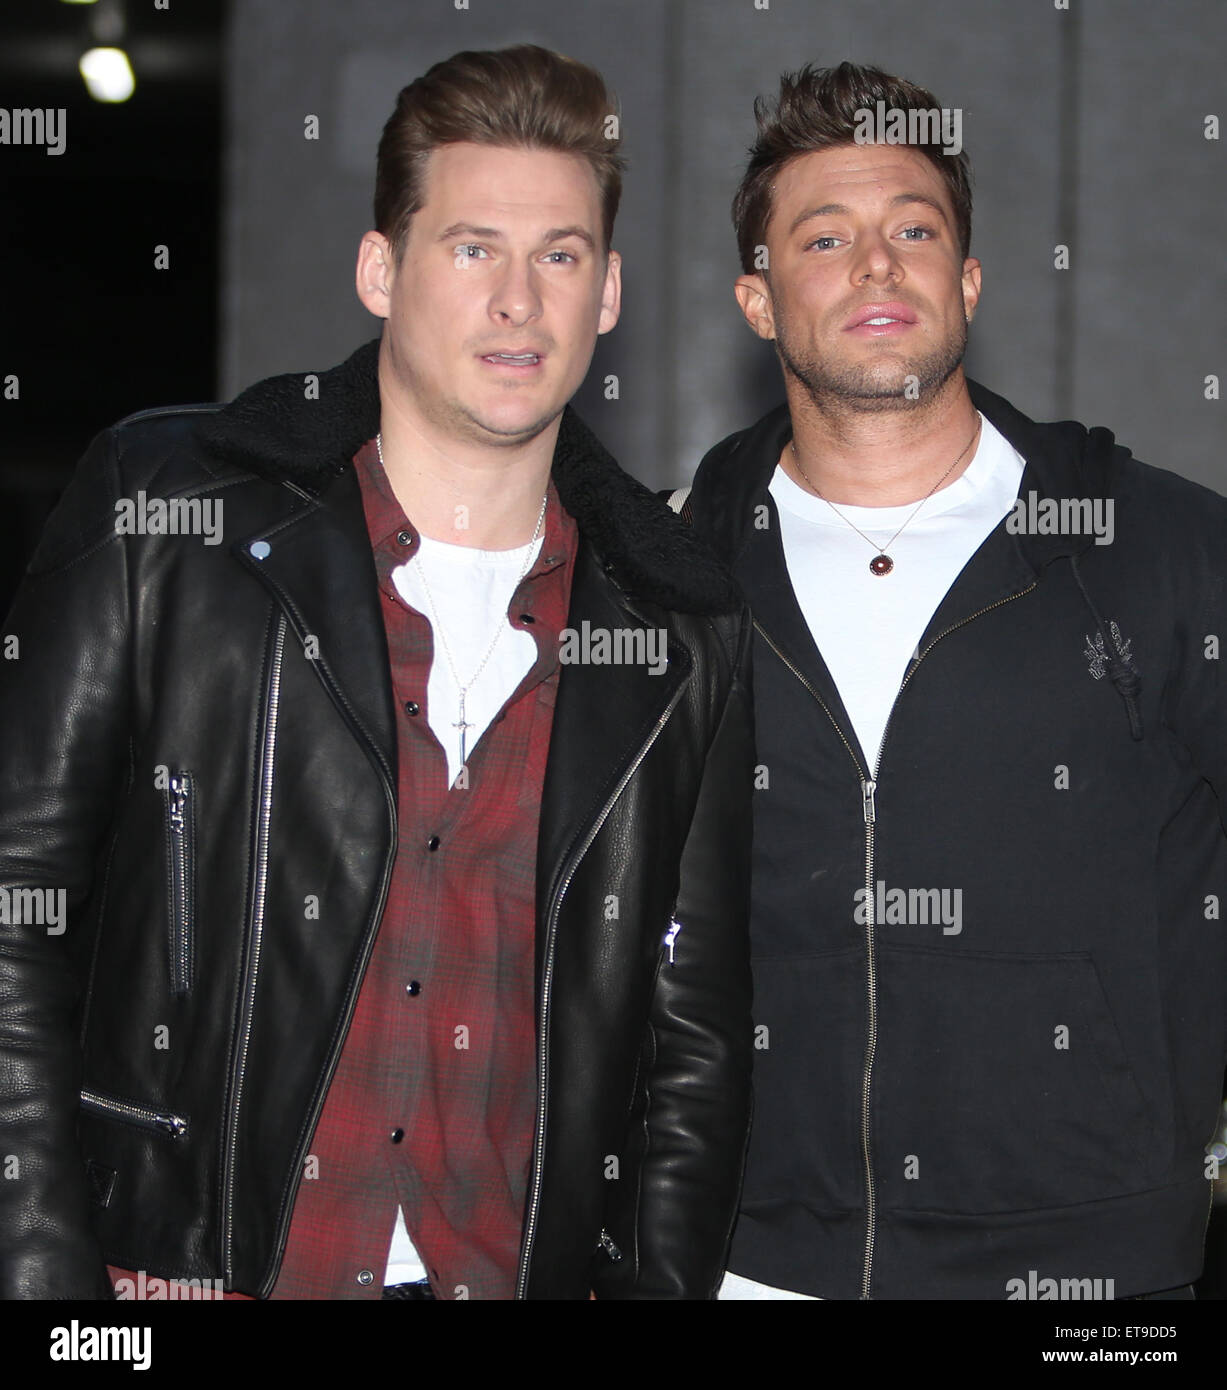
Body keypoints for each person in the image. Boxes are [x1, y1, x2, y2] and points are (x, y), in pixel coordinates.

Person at [0, 44, 753, 1301]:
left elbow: (697, 1048)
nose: (519, 301)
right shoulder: (168, 513)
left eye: (559, 255)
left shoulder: (678, 629)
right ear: (379, 269)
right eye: (472, 248)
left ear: (610, 291)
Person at [684, 60, 1227, 1300]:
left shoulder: (1160, 552)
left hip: (1092, 1281)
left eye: (914, 230)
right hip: (749, 1266)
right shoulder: (674, 574)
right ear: (757, 303)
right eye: (826, 237)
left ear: (968, 283)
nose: (878, 264)